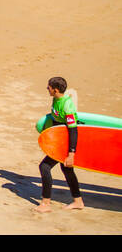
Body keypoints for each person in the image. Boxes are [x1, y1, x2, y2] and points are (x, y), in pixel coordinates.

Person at [36, 77, 85, 213]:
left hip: (65, 143)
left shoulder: (67, 106)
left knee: (44, 167)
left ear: (55, 90)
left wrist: (71, 154)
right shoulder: (56, 99)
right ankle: (78, 201)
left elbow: (73, 130)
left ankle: (46, 203)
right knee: (67, 170)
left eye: (49, 87)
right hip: (58, 140)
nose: (47, 89)